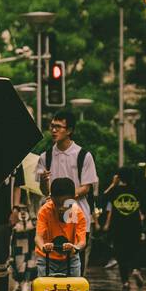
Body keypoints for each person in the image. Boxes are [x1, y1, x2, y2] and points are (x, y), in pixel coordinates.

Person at [36, 109, 98, 274]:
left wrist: (63, 200)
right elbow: (44, 191)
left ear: (69, 130)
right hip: (52, 215)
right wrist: (44, 182)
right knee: (50, 260)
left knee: (76, 262)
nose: (53, 130)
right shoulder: (45, 157)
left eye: (58, 127)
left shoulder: (83, 156)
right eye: (52, 126)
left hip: (76, 214)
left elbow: (86, 187)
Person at [103, 167, 145, 291]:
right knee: (135, 250)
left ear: (119, 177)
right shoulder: (138, 191)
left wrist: (113, 184)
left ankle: (125, 281)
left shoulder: (115, 191)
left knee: (121, 254)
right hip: (134, 226)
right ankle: (136, 269)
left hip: (118, 227)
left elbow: (102, 199)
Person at [35, 176, 86, 277]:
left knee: (75, 285)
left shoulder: (77, 214)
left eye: (65, 204)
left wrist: (75, 248)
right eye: (57, 204)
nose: (61, 208)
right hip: (46, 258)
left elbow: (82, 241)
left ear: (74, 199)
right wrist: (43, 247)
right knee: (43, 285)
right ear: (51, 198)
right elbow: (38, 237)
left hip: (71, 258)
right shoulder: (45, 211)